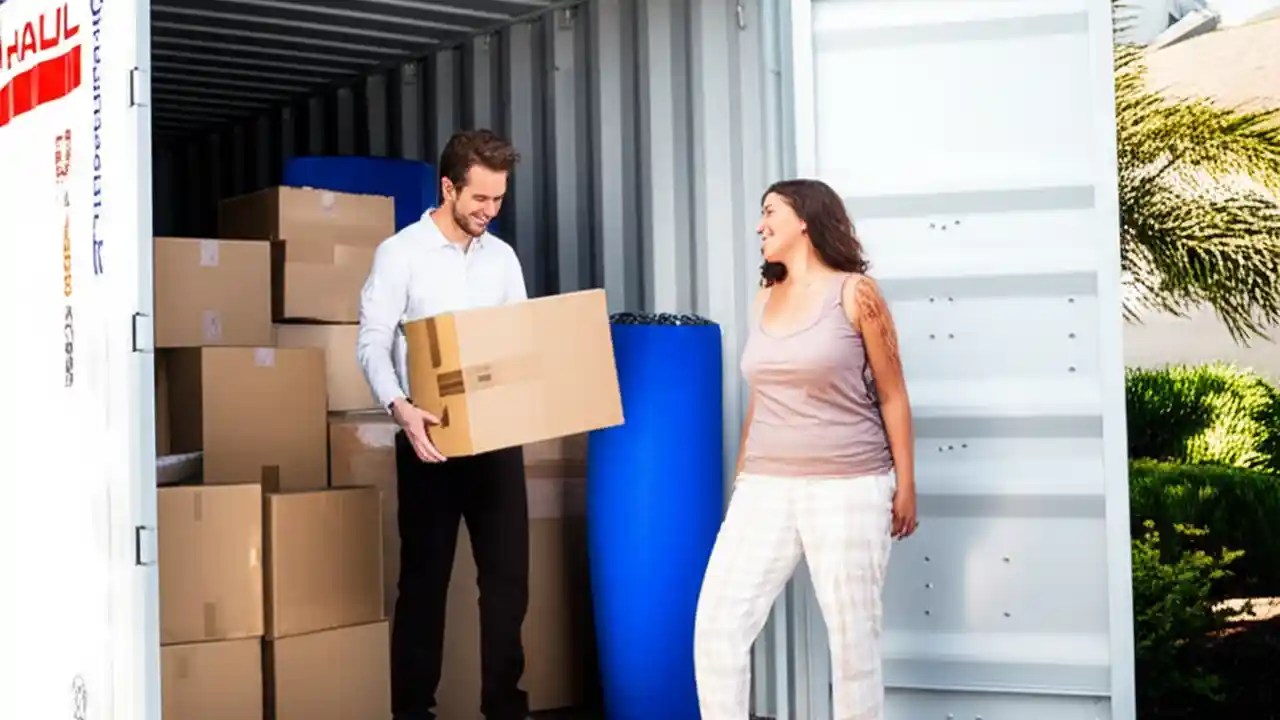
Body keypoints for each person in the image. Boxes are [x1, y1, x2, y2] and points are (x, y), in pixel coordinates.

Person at [692, 178, 918, 720]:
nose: (759, 224)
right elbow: (760, 400)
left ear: (806, 219)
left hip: (850, 484)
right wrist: (744, 479)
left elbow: (892, 394)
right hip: (766, 486)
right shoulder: (764, 298)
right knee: (718, 627)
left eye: (770, 211)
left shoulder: (855, 293)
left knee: (852, 645)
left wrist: (906, 484)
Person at [356, 128, 532, 720]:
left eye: (499, 200)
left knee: (509, 587)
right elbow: (374, 342)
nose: (489, 211)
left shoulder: (502, 259)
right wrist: (399, 408)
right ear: (447, 187)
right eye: (480, 198)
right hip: (427, 440)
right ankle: (413, 713)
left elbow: (520, 344)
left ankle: (504, 709)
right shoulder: (400, 253)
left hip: (497, 443)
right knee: (424, 587)